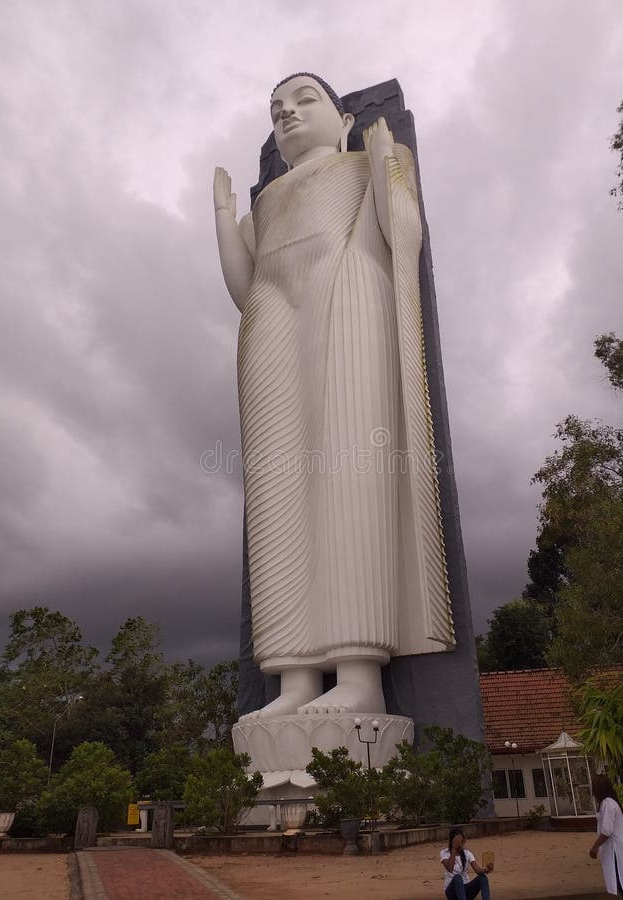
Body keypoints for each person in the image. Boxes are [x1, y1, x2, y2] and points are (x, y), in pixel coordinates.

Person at [214, 73, 453, 720]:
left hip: (344, 293)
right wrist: (221, 222)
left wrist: (383, 166)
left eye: (303, 100)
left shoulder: (360, 160)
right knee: (276, 493)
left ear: (341, 116)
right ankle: (293, 680)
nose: (287, 114)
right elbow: (246, 286)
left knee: (350, 477)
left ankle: (358, 673)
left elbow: (399, 231)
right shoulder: (267, 199)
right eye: (276, 109)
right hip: (272, 313)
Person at [589, 774, 623, 899]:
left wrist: (594, 847)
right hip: (616, 850)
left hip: (616, 852)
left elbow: (606, 831)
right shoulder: (609, 802)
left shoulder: (608, 804)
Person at [440, 827, 492, 900]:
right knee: (458, 878)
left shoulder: (467, 853)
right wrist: (454, 849)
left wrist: (487, 869)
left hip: (466, 889)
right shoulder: (444, 853)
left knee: (483, 878)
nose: (461, 844)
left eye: (462, 841)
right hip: (452, 892)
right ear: (452, 841)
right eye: (458, 842)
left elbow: (477, 870)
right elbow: (450, 868)